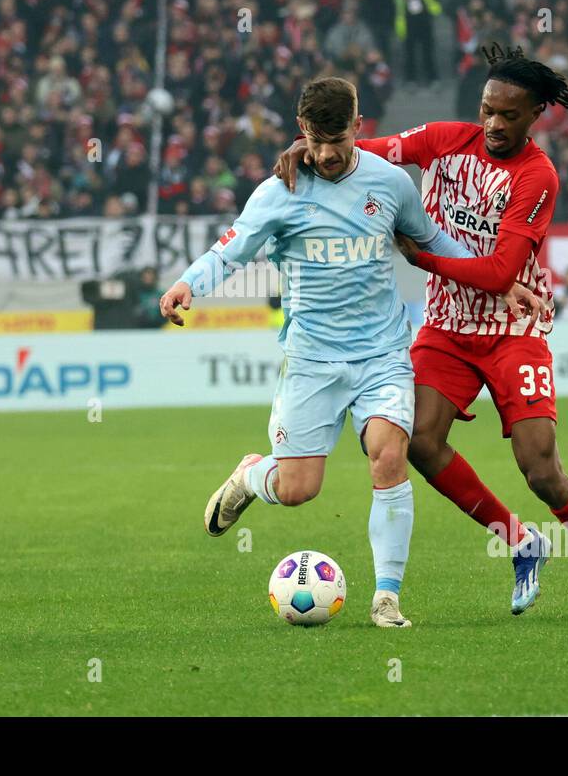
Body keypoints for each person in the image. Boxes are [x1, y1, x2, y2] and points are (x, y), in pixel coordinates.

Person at [273, 44, 568, 620]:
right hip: (446, 325)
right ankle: (521, 541)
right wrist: (309, 150)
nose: (494, 124)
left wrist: (419, 257)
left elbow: (500, 273)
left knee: (540, 468)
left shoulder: (537, 176)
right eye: (487, 110)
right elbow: (364, 154)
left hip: (511, 326)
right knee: (418, 441)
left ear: (534, 116)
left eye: (508, 115)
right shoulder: (447, 138)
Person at [161, 76, 540, 628]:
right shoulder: (279, 191)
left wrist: (501, 283)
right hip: (312, 359)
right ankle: (249, 476)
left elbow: (432, 241)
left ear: (358, 128)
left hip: (382, 354)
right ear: (302, 133)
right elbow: (231, 248)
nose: (325, 154)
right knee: (298, 490)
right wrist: (187, 284)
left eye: (336, 141)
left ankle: (386, 597)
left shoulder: (389, 184)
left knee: (389, 457)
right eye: (315, 141)